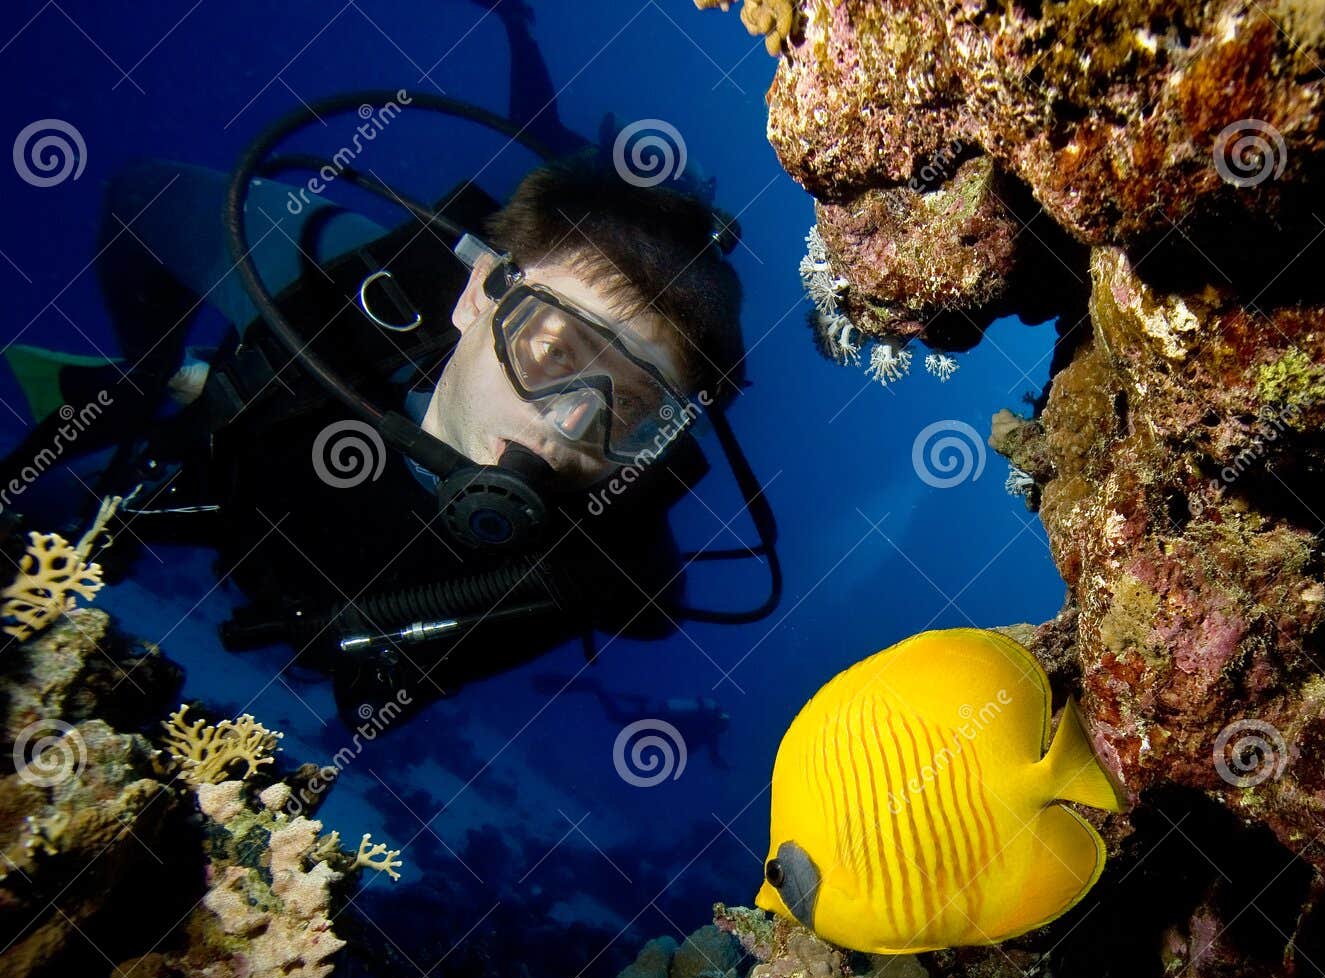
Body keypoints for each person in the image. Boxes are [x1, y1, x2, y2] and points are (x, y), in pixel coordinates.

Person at [1, 112, 774, 726]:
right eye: (555, 348)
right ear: (479, 293)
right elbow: (141, 194)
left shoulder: (611, 566)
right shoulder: (339, 285)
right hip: (200, 478)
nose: (571, 424)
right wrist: (145, 366)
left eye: (634, 409)